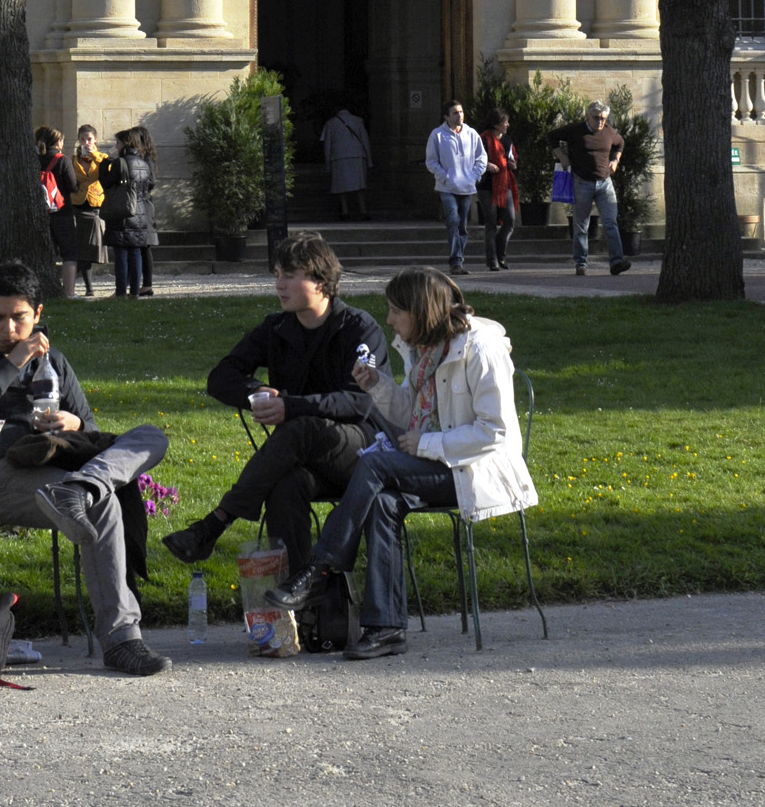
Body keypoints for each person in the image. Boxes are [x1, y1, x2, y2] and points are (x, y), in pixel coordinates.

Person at [271, 266, 537, 661]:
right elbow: (409, 413)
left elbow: (494, 432)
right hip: (430, 462)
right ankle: (386, 628)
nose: (390, 320)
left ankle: (320, 570)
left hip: (474, 471)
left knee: (376, 468)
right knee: (382, 502)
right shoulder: (423, 348)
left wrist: (428, 443)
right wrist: (376, 385)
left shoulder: (480, 349)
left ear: (421, 311)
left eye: (397, 311)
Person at [0, 261, 172, 677]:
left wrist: (73, 424)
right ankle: (121, 640)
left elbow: (91, 432)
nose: (8, 329)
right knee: (103, 504)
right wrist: (11, 365)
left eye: (19, 318)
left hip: (59, 469)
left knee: (151, 436)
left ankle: (81, 488)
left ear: (38, 314)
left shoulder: (54, 361)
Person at [160, 235, 387, 579]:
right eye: (277, 274)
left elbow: (361, 400)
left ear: (321, 282)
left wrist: (291, 406)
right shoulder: (277, 327)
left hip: (360, 451)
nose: (279, 284)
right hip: (298, 455)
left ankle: (215, 523)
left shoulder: (357, 327)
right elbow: (221, 376)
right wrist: (256, 390)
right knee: (284, 486)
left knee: (301, 426)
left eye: (290, 275)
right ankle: (299, 598)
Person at [550, 98, 631, 278]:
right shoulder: (575, 130)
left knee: (610, 223)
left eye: (603, 118)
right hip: (582, 182)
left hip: (605, 183)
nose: (600, 122)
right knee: (581, 225)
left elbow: (620, 143)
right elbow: (552, 136)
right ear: (588, 116)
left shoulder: (609, 132)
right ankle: (581, 262)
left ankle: (617, 261)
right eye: (596, 118)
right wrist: (561, 156)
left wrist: (616, 160)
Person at [424, 101, 486, 273]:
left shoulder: (471, 134)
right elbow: (431, 161)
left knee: (462, 225)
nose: (459, 116)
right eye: (455, 113)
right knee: (452, 220)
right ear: (447, 117)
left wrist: (474, 176)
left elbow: (481, 157)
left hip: (466, 187)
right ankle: (455, 261)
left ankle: (458, 258)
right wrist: (444, 177)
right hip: (447, 188)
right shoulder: (437, 135)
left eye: (461, 112)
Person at [104, 125, 158, 298]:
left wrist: (106, 162)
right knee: (136, 252)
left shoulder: (121, 163)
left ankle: (121, 291)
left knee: (121, 252)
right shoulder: (143, 162)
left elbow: (105, 181)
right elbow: (149, 184)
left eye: (117, 142)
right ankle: (134, 291)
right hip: (140, 210)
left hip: (124, 210)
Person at [34, 125, 84, 302]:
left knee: (43, 252)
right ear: (58, 142)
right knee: (69, 251)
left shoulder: (33, 160)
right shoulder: (62, 160)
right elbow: (72, 186)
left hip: (38, 213)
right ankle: (68, 292)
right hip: (62, 212)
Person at [64, 125, 113, 299]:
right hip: (77, 204)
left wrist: (95, 155)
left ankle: (76, 281)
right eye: (83, 139)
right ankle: (88, 287)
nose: (86, 142)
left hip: (95, 206)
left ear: (95, 140)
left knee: (92, 247)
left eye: (89, 139)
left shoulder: (102, 158)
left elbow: (109, 171)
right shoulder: (72, 159)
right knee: (80, 248)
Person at [478, 110, 519, 272]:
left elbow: (513, 159)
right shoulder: (483, 139)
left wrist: (513, 165)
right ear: (496, 124)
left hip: (505, 184)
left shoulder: (507, 140)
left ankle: (500, 254)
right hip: (487, 185)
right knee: (491, 222)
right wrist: (487, 165)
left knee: (509, 221)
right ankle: (492, 260)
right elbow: (475, 158)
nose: (508, 125)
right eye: (505, 122)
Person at [320, 105, 372, 220]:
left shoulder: (330, 123)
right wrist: (369, 160)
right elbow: (365, 140)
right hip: (357, 155)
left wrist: (327, 163)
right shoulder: (358, 121)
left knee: (341, 186)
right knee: (360, 185)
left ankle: (345, 211)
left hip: (339, 157)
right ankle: (363, 210)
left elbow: (327, 144)